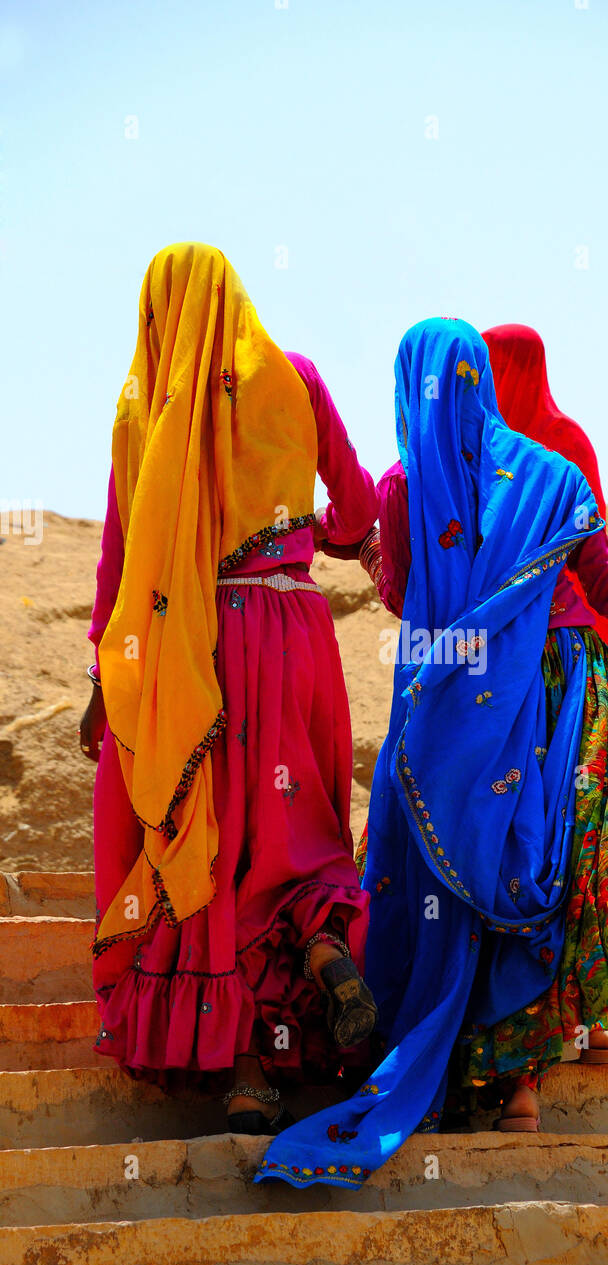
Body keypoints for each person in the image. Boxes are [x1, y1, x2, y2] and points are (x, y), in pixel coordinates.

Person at [256, 317, 608, 1191]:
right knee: (538, 864)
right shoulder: (551, 475)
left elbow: (396, 595)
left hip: (449, 705)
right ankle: (520, 1087)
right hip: (563, 685)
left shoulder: (402, 485)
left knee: (432, 866)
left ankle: (424, 1071)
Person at [79, 242, 378, 1135]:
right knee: (296, 823)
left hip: (197, 644)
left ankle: (247, 1070)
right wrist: (305, 533)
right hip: (295, 631)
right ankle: (323, 939)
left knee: (207, 843)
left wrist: (105, 680)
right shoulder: (298, 377)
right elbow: (357, 511)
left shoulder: (150, 407)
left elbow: (123, 563)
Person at [482, 322, 608, 866]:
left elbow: (590, 544)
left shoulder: (558, 443)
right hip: (524, 628)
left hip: (559, 629)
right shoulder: (487, 441)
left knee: (566, 772)